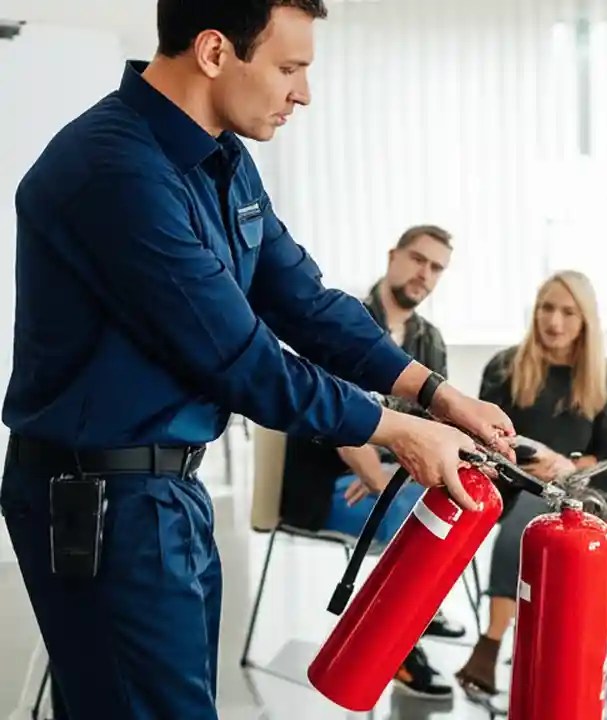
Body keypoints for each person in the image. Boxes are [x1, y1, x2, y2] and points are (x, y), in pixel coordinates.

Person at [0, 4, 513, 719]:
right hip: (103, 503)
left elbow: (303, 299)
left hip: (165, 491)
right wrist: (397, 431)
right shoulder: (114, 172)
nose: (302, 92)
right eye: (289, 68)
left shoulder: (222, 161)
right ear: (214, 51)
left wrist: (437, 396)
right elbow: (242, 361)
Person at [281, 223, 463, 699]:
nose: (425, 273)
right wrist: (380, 479)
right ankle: (404, 647)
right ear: (392, 256)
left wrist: (389, 478)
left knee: (445, 508)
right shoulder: (344, 321)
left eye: (436, 268)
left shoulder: (430, 340)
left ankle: (412, 622)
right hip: (324, 483)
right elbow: (339, 421)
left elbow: (435, 431)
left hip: (386, 479)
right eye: (418, 259)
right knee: (411, 516)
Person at [454, 270, 607, 700]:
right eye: (547, 309)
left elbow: (605, 455)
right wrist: (528, 467)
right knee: (528, 511)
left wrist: (561, 465)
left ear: (585, 320)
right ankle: (512, 642)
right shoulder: (505, 367)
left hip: (582, 487)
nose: (555, 321)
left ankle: (492, 642)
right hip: (515, 482)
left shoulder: (606, 376)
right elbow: (486, 440)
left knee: (537, 514)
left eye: (568, 312)